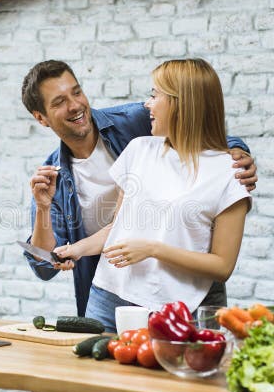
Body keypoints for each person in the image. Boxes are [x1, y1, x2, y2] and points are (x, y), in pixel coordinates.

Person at [21, 60, 257, 317]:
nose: (75, 105)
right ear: (41, 118)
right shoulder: (54, 176)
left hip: (183, 297)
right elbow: (46, 265)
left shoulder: (135, 123)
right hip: (110, 290)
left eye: (76, 92)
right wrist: (64, 236)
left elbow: (197, 127)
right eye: (59, 102)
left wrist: (235, 152)